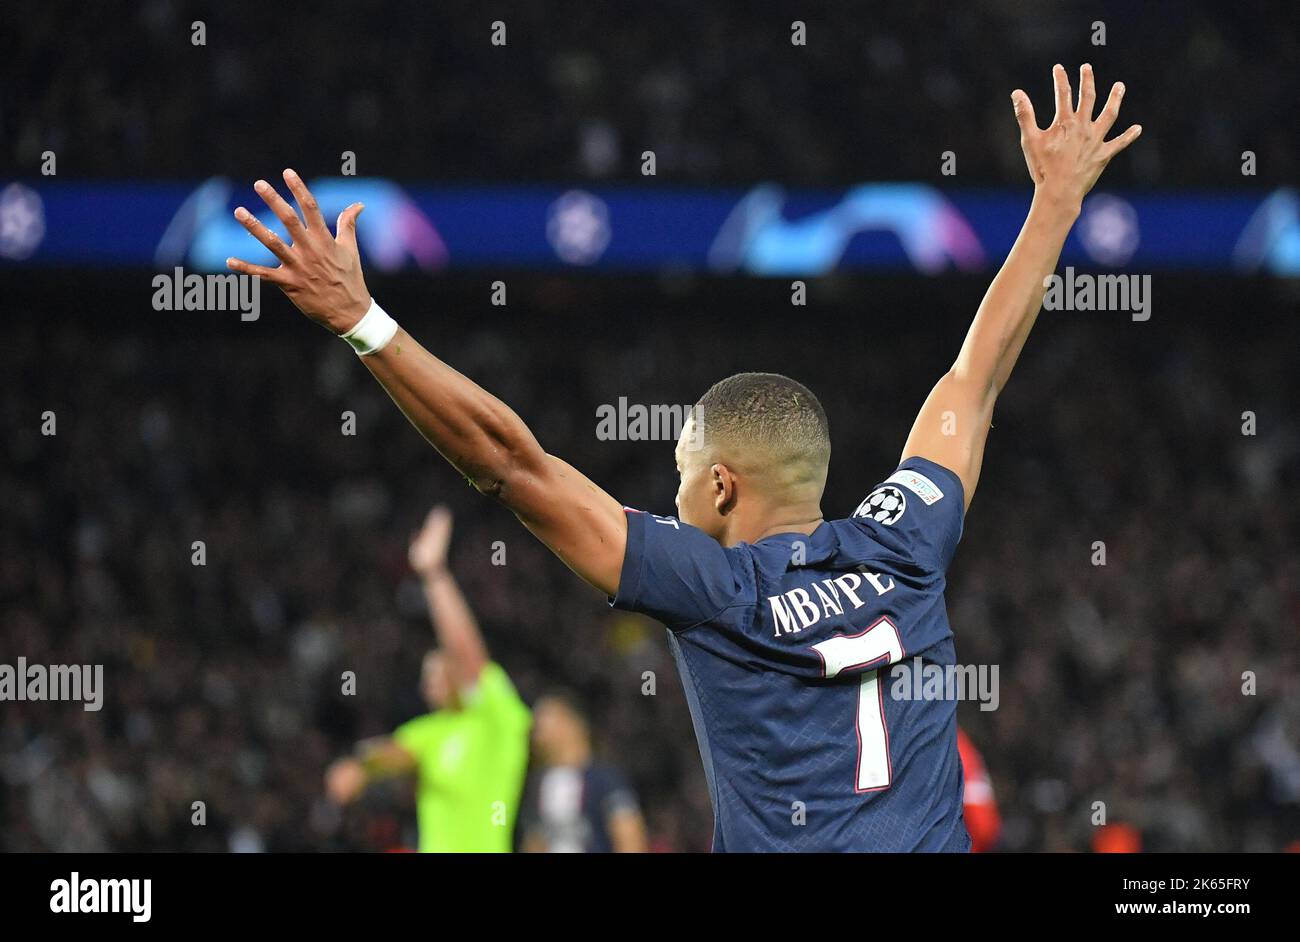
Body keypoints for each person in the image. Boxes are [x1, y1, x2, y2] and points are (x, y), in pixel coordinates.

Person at [232, 64, 1139, 850]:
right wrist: (1056, 204)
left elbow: (510, 463)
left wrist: (362, 320)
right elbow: (973, 381)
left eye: (678, 471)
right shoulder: (906, 543)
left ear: (720, 484)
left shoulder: (714, 587)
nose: (672, 491)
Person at [324, 507, 531, 852]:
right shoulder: (430, 731)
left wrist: (434, 575)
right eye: (425, 676)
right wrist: (358, 766)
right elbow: (393, 754)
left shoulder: (499, 717)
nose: (427, 684)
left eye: (437, 673)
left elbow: (467, 653)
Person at [520, 691, 648, 852]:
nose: (536, 730)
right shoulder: (537, 784)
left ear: (571, 723)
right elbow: (535, 840)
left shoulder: (604, 780)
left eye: (544, 719)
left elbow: (629, 839)